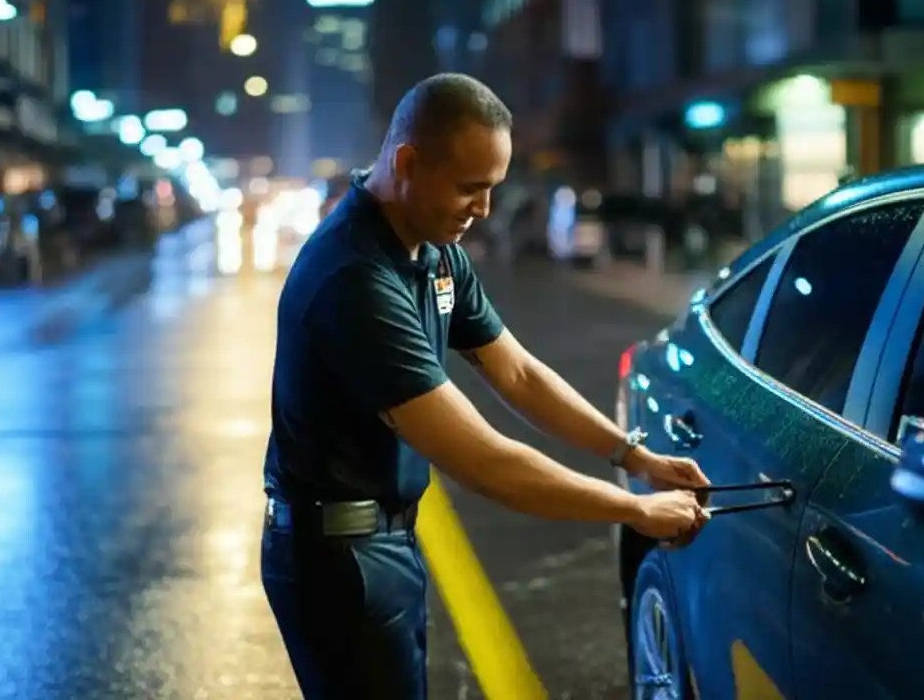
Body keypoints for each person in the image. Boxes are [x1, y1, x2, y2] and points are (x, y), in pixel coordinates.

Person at [261, 72, 711, 699]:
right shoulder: (356, 280)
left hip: (383, 541)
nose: (485, 209)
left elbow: (518, 374)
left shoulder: (432, 249)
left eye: (492, 187)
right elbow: (483, 462)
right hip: (338, 559)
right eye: (470, 188)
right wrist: (636, 510)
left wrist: (635, 457)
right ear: (407, 164)